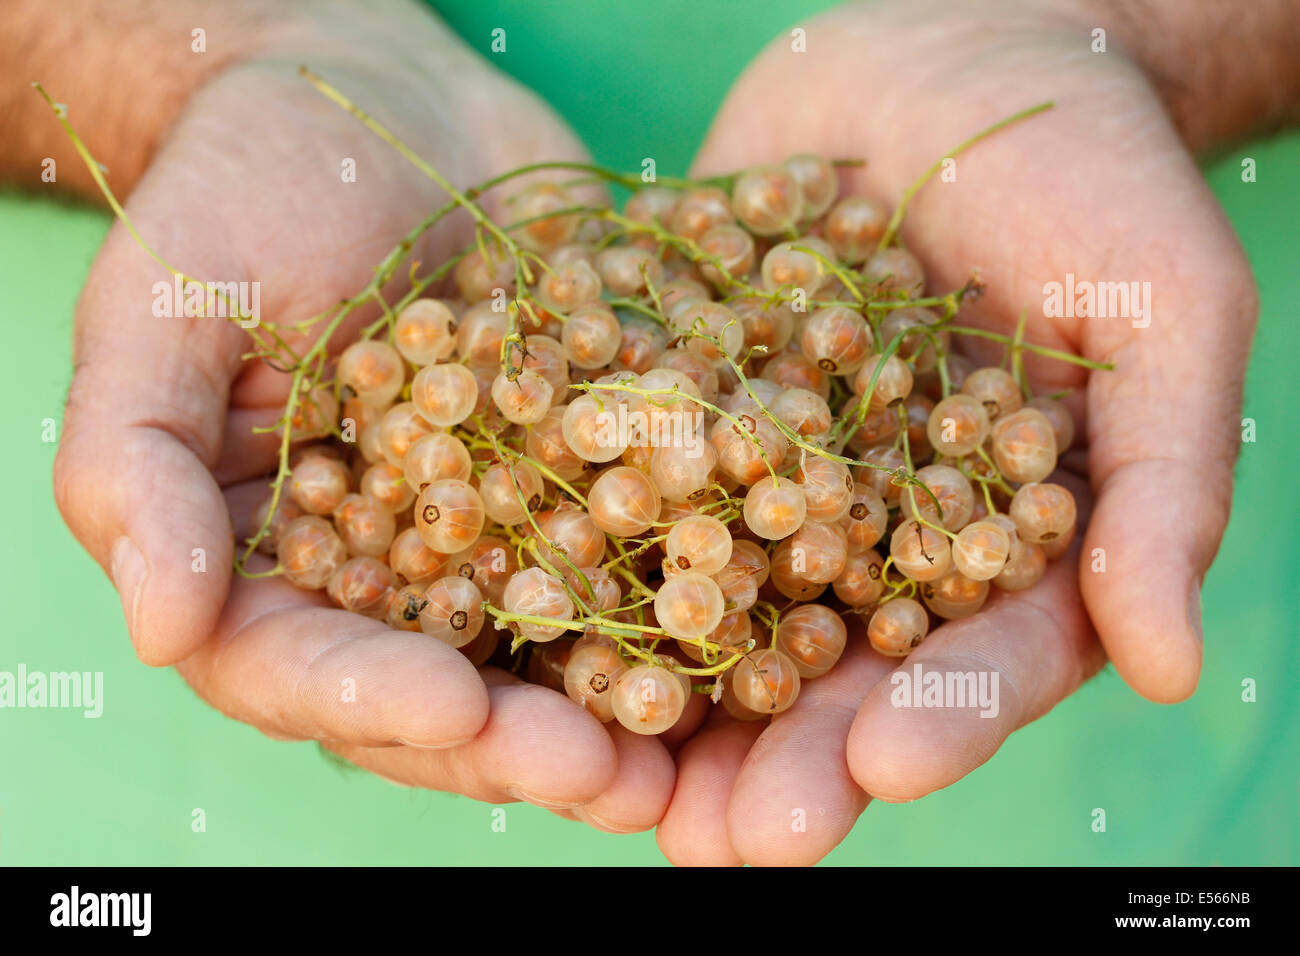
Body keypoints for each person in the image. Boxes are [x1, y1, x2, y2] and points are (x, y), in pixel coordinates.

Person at [3, 0, 1294, 866]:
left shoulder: (880, 422)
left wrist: (1097, 28)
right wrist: (226, 48)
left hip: (1122, 815)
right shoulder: (405, 428)